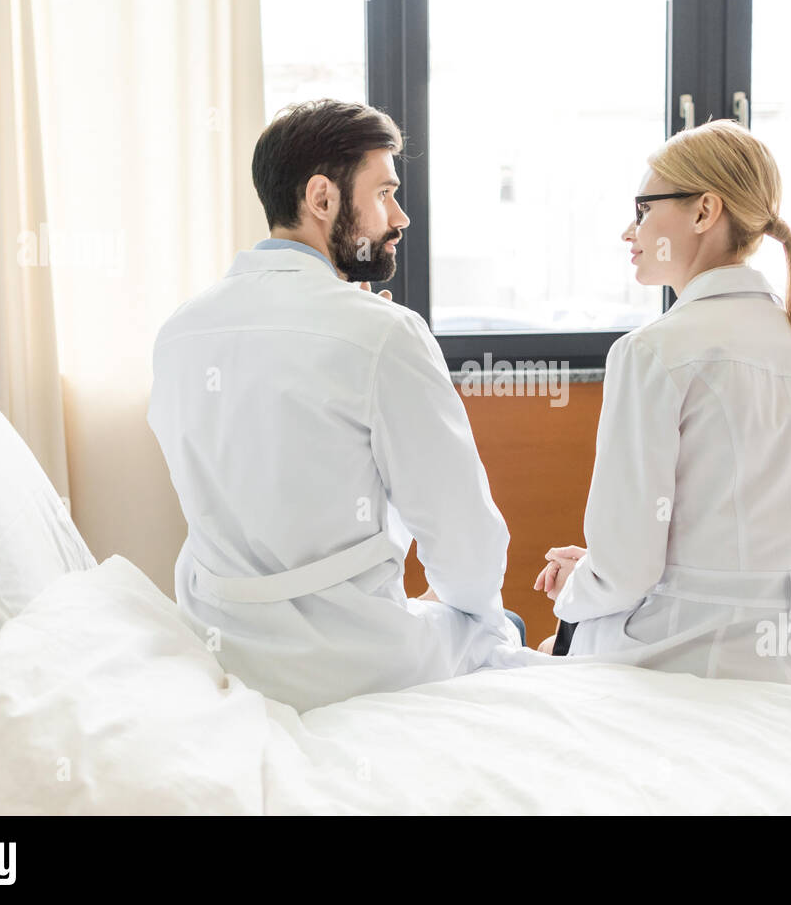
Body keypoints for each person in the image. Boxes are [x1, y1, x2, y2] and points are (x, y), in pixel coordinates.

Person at [148, 99, 528, 713]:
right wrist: (486, 623)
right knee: (500, 623)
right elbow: (464, 538)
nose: (399, 216)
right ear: (322, 198)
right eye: (384, 193)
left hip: (215, 647)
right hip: (350, 663)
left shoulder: (178, 333)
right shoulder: (382, 333)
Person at [532, 118, 791, 685]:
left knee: (542, 647)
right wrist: (596, 573)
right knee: (554, 643)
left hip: (705, 652)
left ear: (704, 211)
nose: (628, 231)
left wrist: (578, 586)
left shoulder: (654, 351)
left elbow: (628, 570)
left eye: (643, 209)